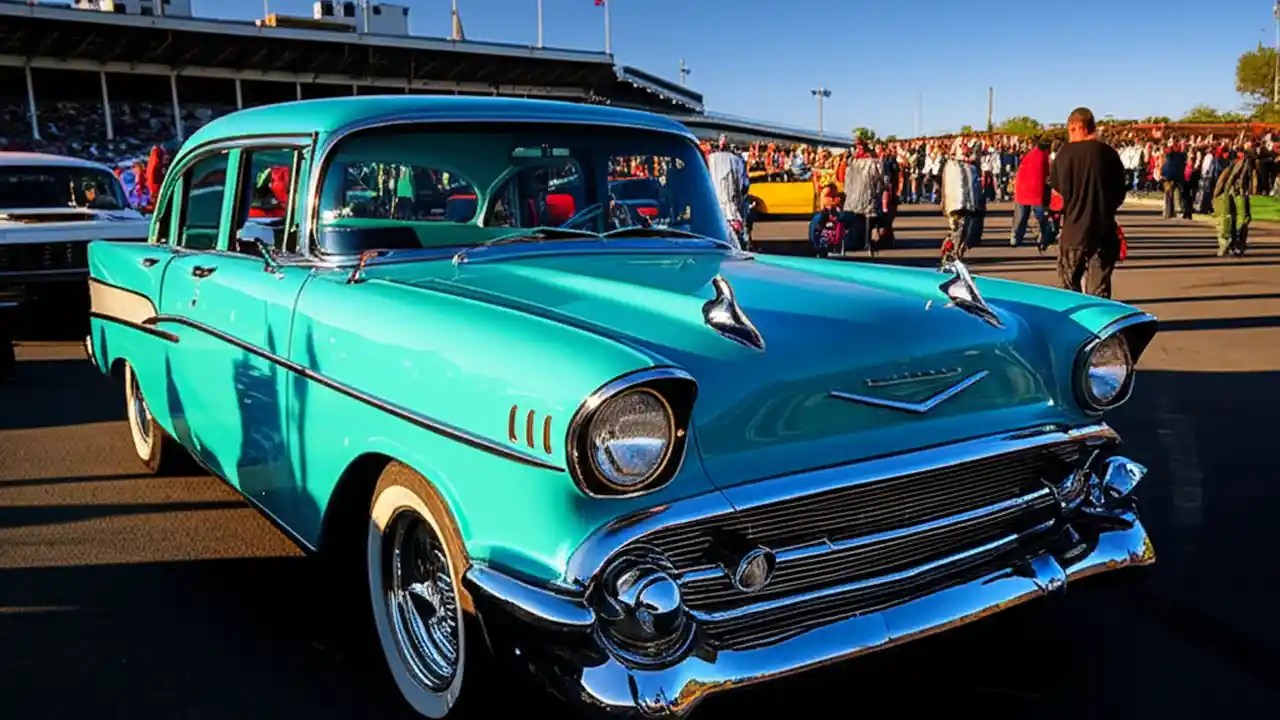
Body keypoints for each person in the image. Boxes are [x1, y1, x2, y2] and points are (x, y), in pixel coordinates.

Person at [1049, 106, 1127, 298]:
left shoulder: (1065, 153)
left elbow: (1057, 192)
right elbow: (1119, 193)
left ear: (1078, 127)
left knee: (1069, 291)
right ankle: (1099, 325)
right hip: (1103, 231)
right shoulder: (1109, 154)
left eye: (1070, 131)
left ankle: (1074, 325)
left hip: (1073, 231)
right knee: (1099, 291)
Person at [1212, 143, 1259, 257]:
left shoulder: (1247, 163)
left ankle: (1235, 244)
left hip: (1238, 192)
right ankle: (1229, 244)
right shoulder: (1234, 163)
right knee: (1230, 218)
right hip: (1232, 192)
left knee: (1238, 218)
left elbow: (1253, 178)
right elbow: (1224, 178)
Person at [1011, 137, 1054, 251]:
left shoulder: (1029, 155)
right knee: (1040, 216)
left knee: (1020, 216)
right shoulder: (1044, 156)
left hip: (1022, 190)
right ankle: (1045, 236)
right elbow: (1048, 174)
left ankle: (1015, 238)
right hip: (1036, 190)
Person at [706, 134, 749, 247]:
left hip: (712, 211)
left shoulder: (709, 159)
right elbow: (745, 185)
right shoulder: (738, 160)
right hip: (733, 210)